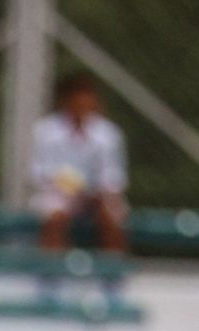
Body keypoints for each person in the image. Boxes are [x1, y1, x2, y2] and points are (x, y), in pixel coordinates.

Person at [29, 72, 128, 255]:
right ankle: (53, 272)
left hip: (98, 196)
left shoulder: (108, 134)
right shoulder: (46, 131)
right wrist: (69, 187)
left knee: (112, 218)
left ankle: (112, 273)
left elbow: (114, 176)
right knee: (55, 218)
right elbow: (39, 172)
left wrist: (98, 191)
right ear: (66, 101)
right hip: (59, 194)